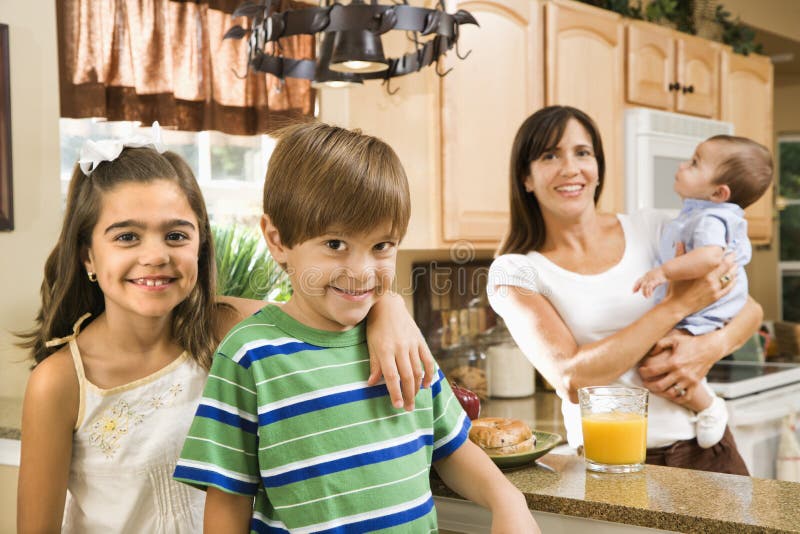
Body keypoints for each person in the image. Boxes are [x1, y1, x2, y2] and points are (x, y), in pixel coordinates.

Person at [15, 126, 436, 533]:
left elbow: (328, 310)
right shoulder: (60, 382)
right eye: (127, 237)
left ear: (200, 246)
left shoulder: (232, 329)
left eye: (176, 235)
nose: (156, 255)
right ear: (88, 256)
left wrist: (389, 307)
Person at [173, 122, 539, 533]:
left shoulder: (403, 344)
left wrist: (508, 499)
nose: (361, 271)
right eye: (335, 245)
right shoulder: (250, 356)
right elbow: (227, 506)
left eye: (382, 246)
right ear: (277, 240)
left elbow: (449, 446)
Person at [487, 105, 763, 475]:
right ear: (526, 178)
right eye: (550, 155)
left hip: (705, 448)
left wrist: (709, 347)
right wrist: (675, 306)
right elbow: (572, 379)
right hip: (611, 463)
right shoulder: (517, 272)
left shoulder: (651, 228)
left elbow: (749, 310)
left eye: (583, 153)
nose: (571, 168)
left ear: (598, 168)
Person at [633, 135, 773, 448]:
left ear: (718, 192)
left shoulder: (709, 218)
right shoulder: (704, 213)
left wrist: (663, 272)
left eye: (695, 163)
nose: (683, 166)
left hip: (707, 309)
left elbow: (710, 256)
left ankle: (709, 407)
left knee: (658, 364)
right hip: (713, 304)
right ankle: (707, 402)